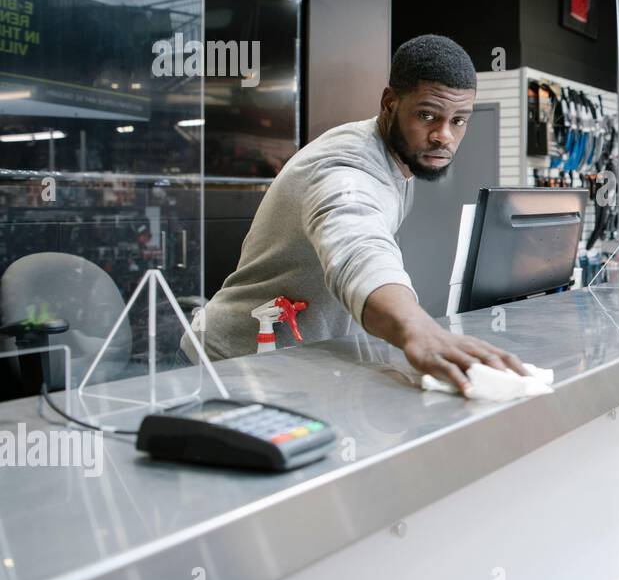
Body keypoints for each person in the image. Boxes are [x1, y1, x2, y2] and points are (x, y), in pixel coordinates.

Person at [184, 34, 525, 393]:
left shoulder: (397, 160)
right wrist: (420, 331)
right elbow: (357, 247)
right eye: (427, 115)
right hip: (225, 368)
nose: (444, 135)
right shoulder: (345, 167)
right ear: (390, 103)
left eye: (459, 120)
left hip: (285, 366)